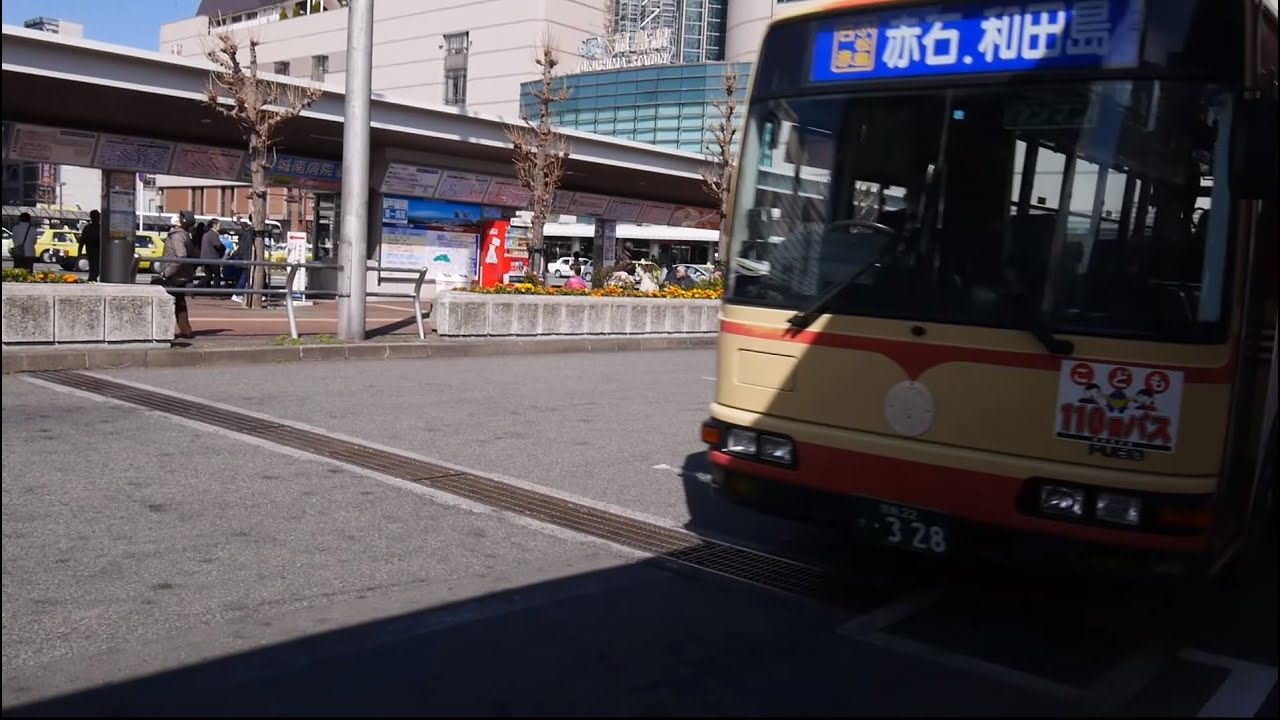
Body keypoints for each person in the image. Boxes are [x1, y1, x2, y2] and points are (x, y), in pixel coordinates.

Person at [158, 211, 198, 339]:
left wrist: (166, 272)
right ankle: (186, 330)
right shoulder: (185, 235)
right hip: (180, 273)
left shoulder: (177, 236)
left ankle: (164, 331)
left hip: (174, 274)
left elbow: (180, 256)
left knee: (166, 301)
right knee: (179, 302)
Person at [230, 216, 254, 303]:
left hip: (241, 257)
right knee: (245, 277)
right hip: (246, 257)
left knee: (243, 276)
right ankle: (237, 293)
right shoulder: (249, 234)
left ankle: (240, 293)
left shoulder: (242, 235)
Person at [199, 217, 225, 287]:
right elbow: (218, 245)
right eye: (219, 225)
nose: (220, 226)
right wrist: (223, 248)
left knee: (208, 275)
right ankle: (216, 293)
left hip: (205, 258)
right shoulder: (213, 233)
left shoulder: (206, 233)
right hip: (212, 258)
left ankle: (195, 288)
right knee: (217, 275)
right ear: (214, 225)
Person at [77, 210, 102, 282]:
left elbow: (82, 241)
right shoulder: (101, 228)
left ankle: (92, 278)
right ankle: (93, 278)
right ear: (99, 217)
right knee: (97, 265)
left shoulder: (87, 228)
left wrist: (79, 252)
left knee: (92, 265)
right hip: (99, 250)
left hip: (90, 249)